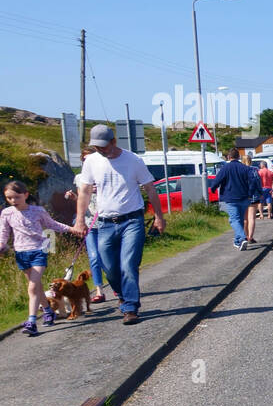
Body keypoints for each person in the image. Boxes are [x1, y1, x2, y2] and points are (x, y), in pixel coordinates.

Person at [70, 124, 164, 325]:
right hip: (104, 223)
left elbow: (150, 189)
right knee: (109, 268)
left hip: (132, 220)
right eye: (96, 147)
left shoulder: (133, 160)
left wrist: (159, 217)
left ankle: (130, 307)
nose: (100, 150)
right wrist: (80, 220)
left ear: (113, 142)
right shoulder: (92, 162)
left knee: (129, 264)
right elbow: (84, 192)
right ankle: (122, 295)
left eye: (104, 146)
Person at [1, 180, 79, 336]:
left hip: (39, 250)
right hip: (21, 253)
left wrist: (72, 229)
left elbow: (52, 224)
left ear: (25, 195)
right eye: (9, 198)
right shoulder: (7, 213)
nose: (13, 201)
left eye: (16, 197)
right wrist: (1, 245)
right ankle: (48, 311)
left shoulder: (38, 210)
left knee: (32, 287)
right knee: (36, 287)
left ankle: (31, 321)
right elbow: (4, 233)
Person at [64, 151, 109, 303]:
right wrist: (74, 198)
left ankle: (116, 285)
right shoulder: (80, 178)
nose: (87, 161)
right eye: (84, 159)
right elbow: (81, 199)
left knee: (108, 257)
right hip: (90, 222)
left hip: (107, 220)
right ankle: (99, 290)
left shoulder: (105, 173)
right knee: (94, 257)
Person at [210, 147, 259, 250]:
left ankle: (242, 237)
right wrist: (250, 193)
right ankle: (238, 242)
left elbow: (217, 180)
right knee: (240, 220)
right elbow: (253, 182)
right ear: (238, 157)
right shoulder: (245, 168)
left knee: (234, 220)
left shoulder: (225, 168)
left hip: (231, 198)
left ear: (229, 156)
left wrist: (213, 188)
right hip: (245, 198)